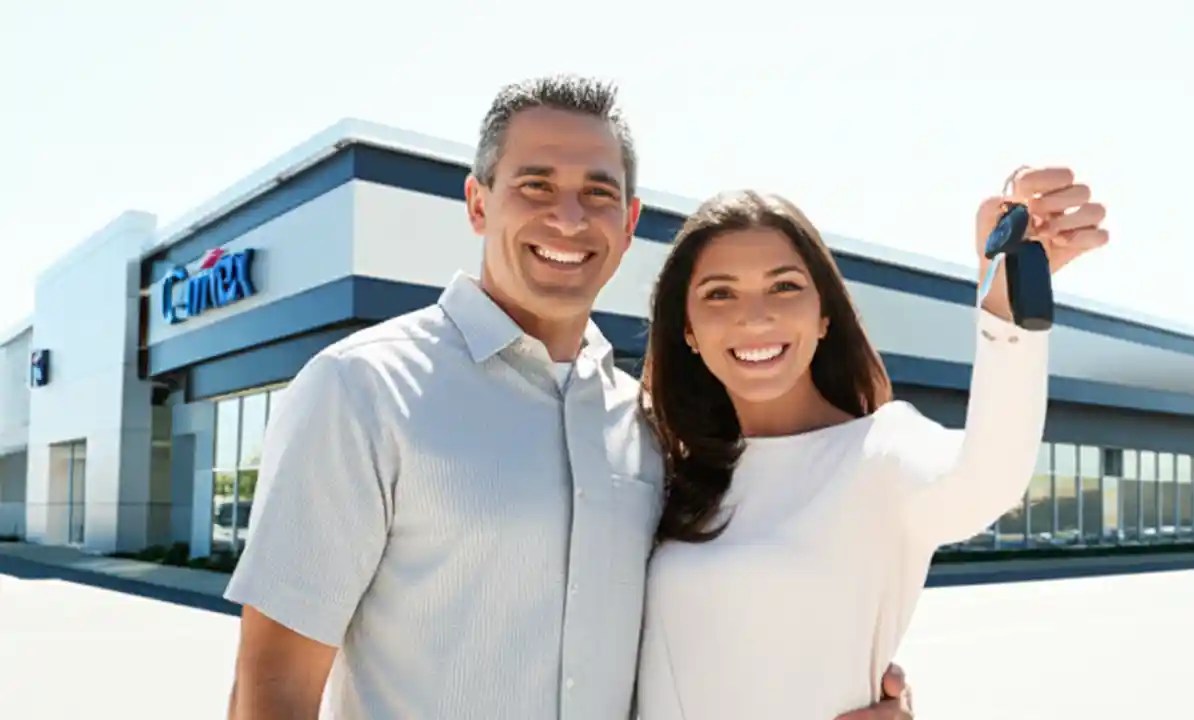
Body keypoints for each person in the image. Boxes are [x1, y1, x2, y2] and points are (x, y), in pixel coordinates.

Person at [222, 74, 913, 719]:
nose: (570, 218)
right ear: (477, 203)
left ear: (629, 221)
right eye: (537, 185)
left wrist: (843, 690)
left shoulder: (648, 425)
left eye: (599, 193)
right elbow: (273, 681)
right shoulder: (361, 390)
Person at [633, 175, 1108, 718]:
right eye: (719, 293)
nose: (755, 315)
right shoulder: (658, 463)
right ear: (687, 329)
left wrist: (1007, 302)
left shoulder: (881, 453)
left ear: (824, 315)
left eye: (784, 286)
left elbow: (988, 476)